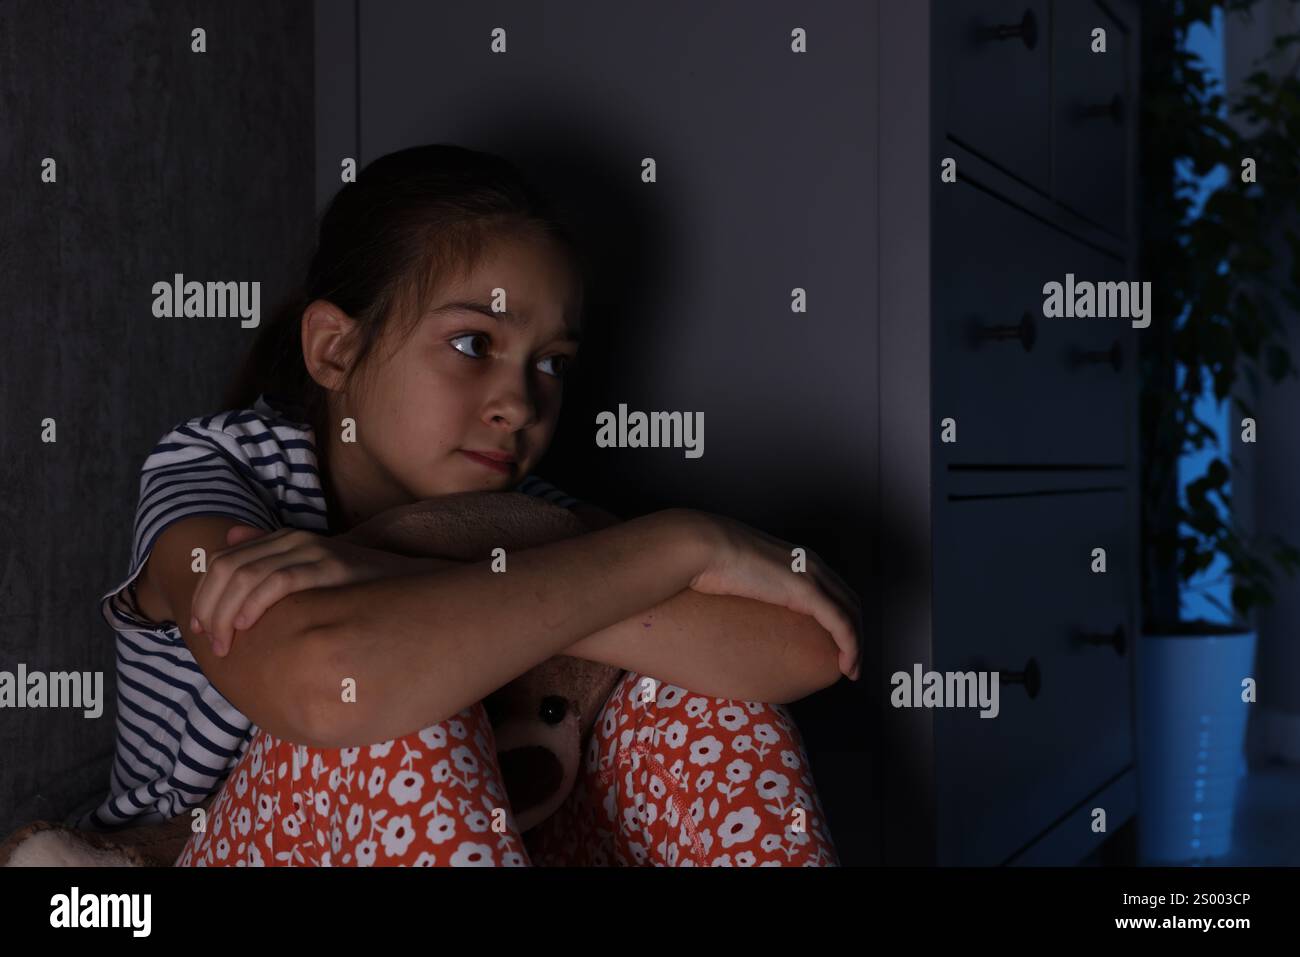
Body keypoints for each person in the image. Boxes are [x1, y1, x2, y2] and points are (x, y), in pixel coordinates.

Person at [88, 144, 861, 866]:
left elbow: (811, 647)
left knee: (702, 702)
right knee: (399, 699)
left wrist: (396, 563)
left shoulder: (524, 511)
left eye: (553, 364)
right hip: (190, 852)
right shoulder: (221, 467)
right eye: (474, 344)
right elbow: (326, 684)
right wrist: (677, 546)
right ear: (334, 350)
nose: (521, 404)